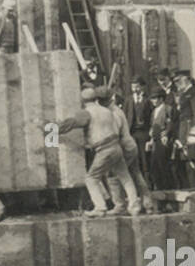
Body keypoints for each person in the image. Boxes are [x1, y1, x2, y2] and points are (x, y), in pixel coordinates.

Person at [51, 87, 143, 216]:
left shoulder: (86, 113)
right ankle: (134, 207)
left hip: (104, 149)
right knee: (125, 177)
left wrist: (50, 127)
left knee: (91, 178)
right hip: (116, 146)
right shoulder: (107, 111)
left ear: (83, 101)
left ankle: (100, 208)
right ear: (95, 98)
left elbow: (69, 125)